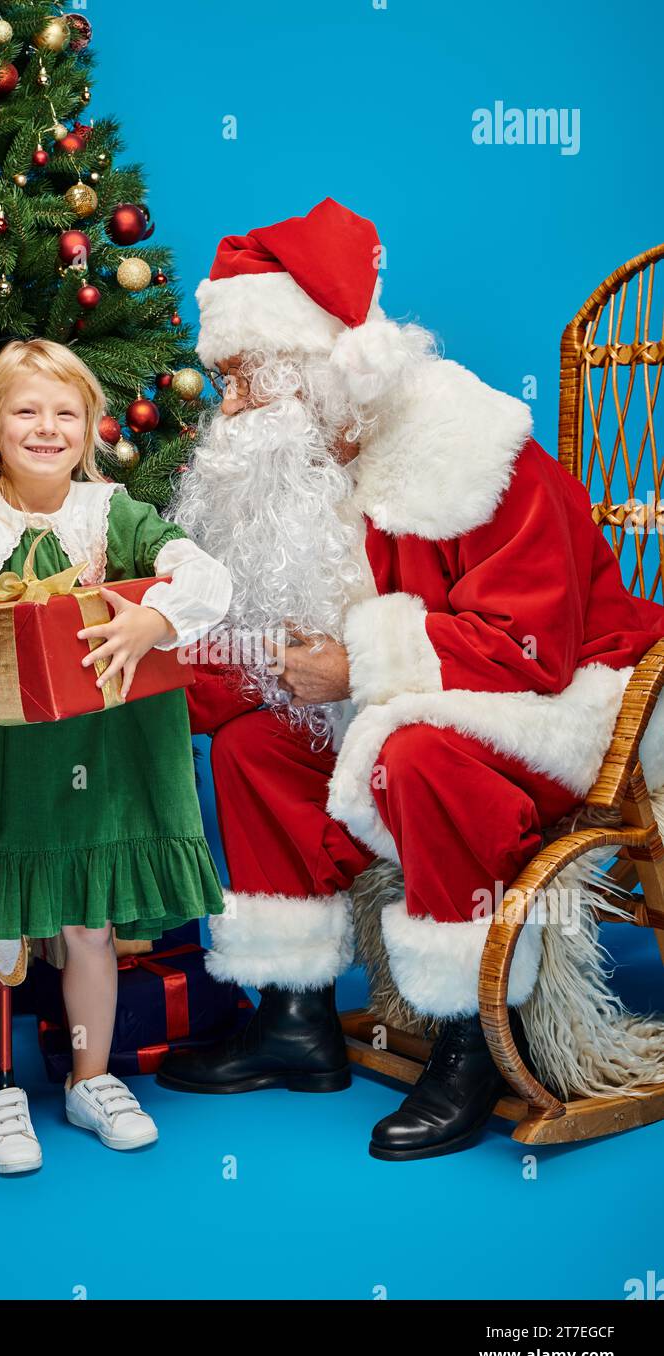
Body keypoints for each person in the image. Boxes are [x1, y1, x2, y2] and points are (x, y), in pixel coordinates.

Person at [155, 197, 664, 1159]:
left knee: (420, 753)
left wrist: (358, 663)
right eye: (221, 381)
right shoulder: (301, 482)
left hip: (560, 712)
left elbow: (531, 648)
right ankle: (293, 1017)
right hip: (403, 709)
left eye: (243, 380)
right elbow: (265, 665)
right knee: (257, 744)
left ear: (316, 372)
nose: (225, 408)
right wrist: (143, 666)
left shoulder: (477, 460)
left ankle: (474, 1041)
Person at [0, 337, 231, 1175]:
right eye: (26, 411)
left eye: (66, 414)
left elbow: (209, 579)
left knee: (89, 922)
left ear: (90, 431)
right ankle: (1, 1089)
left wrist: (156, 619)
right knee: (6, 922)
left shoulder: (112, 511)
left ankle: (90, 1078)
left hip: (97, 766)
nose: (47, 427)